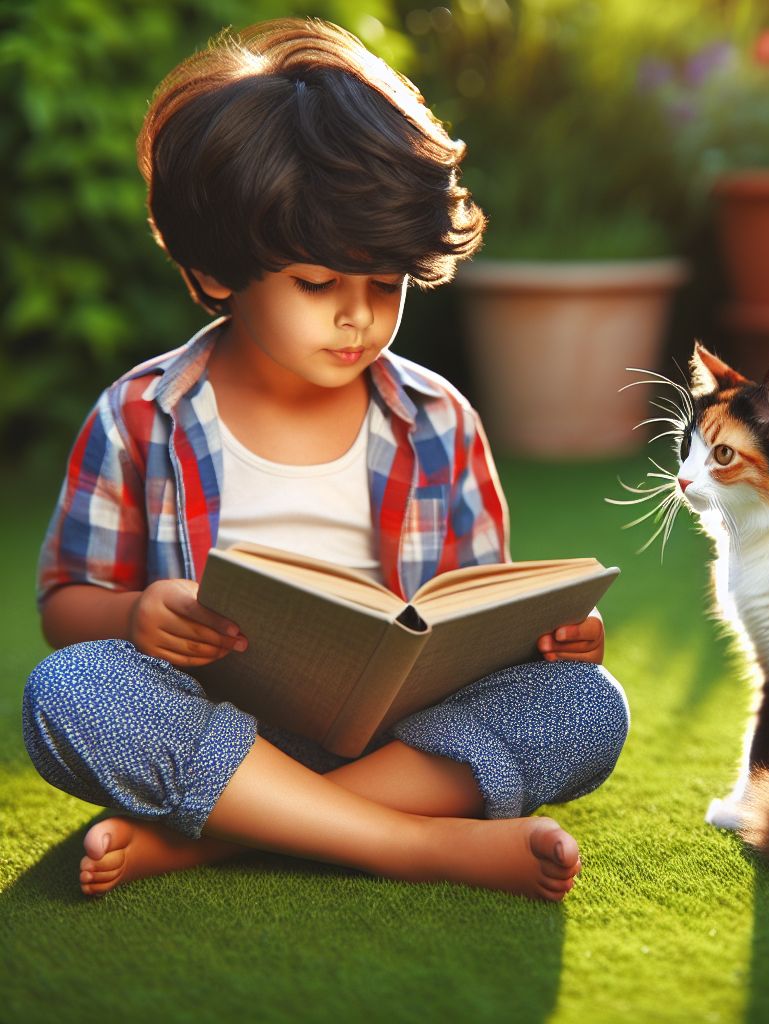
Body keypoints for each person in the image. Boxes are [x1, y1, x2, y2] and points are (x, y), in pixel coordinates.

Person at [22, 18, 629, 903]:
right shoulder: (140, 416)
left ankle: (203, 842)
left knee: (589, 705)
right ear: (222, 268)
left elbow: (480, 615)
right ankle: (415, 846)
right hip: (213, 731)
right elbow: (63, 606)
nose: (359, 319)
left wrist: (553, 638)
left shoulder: (438, 421)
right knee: (69, 692)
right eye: (318, 285)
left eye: (387, 285)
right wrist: (135, 616)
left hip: (401, 743)